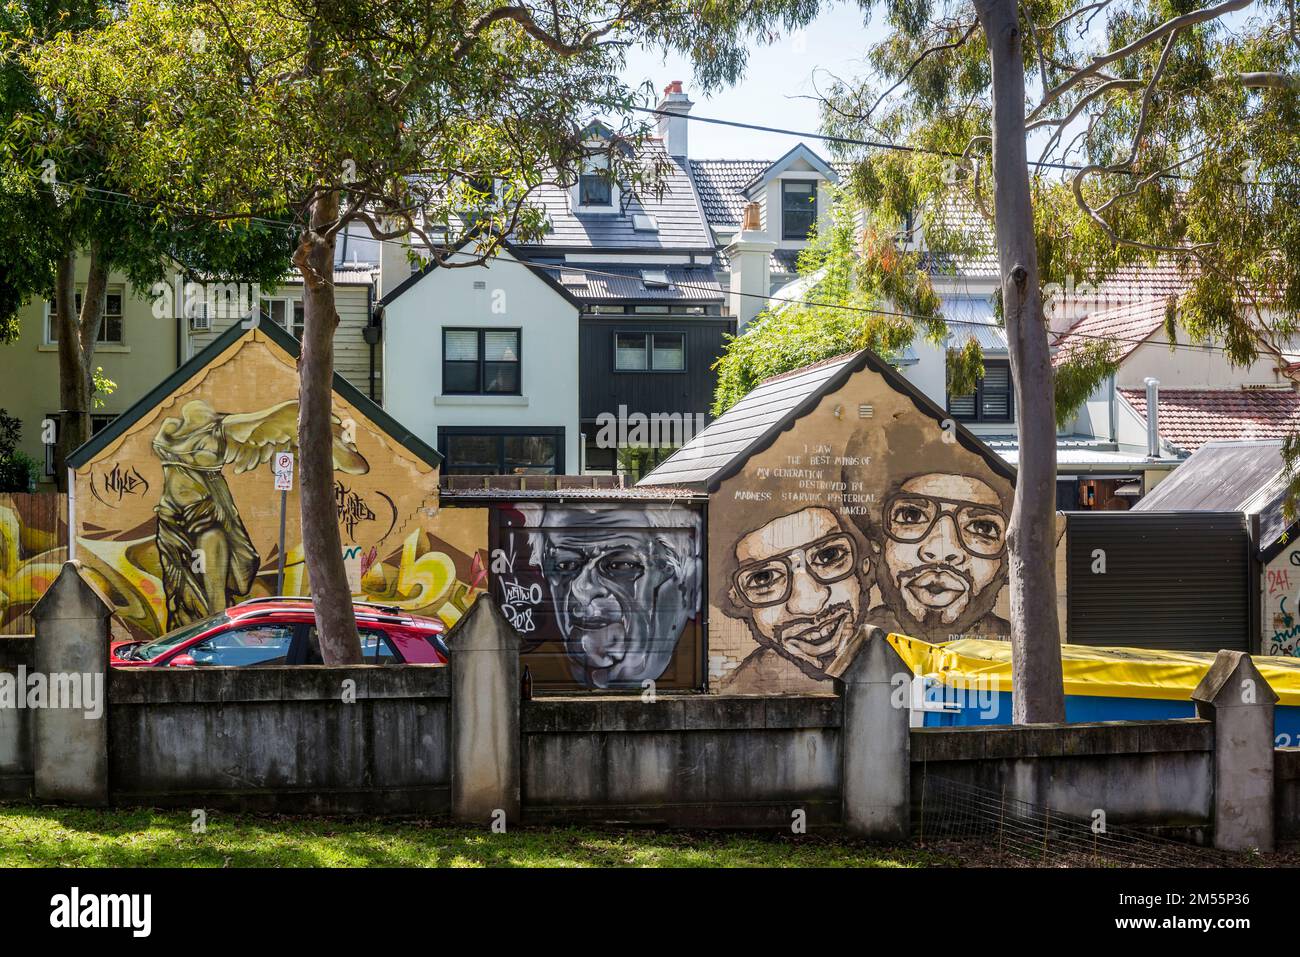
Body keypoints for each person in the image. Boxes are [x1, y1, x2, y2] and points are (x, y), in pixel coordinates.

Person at [520, 504, 701, 688]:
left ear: (687, 588)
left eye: (621, 565)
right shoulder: (527, 664)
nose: (582, 589)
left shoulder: (699, 659)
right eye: (565, 565)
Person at [721, 506, 875, 693]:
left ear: (865, 564)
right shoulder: (744, 688)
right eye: (764, 578)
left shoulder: (902, 651)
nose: (808, 605)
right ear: (737, 599)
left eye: (828, 556)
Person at [873, 472, 1010, 639]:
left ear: (1007, 564)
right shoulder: (856, 645)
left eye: (982, 527)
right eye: (911, 516)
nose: (941, 551)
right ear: (878, 547)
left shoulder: (1023, 649)